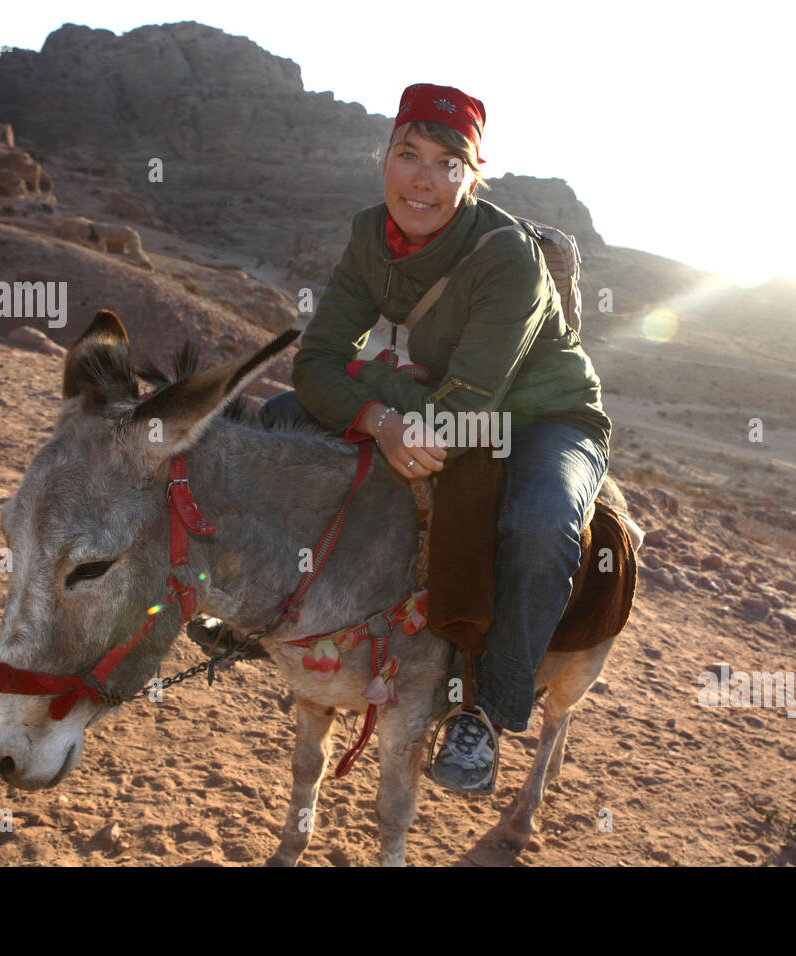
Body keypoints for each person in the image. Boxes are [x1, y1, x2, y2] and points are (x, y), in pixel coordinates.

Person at [259, 82, 611, 792]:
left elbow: (465, 410)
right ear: (385, 158)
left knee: (540, 526)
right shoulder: (370, 237)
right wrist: (379, 414)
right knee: (272, 422)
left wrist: (366, 377)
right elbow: (314, 362)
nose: (422, 178)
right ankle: (250, 606)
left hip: (545, 418)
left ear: (472, 178)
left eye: (448, 163)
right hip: (438, 403)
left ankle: (487, 708)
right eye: (407, 154)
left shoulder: (506, 255)